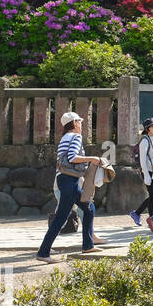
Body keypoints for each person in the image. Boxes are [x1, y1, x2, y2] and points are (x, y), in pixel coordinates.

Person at [36, 112, 106, 262]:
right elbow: (72, 158)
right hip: (69, 181)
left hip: (67, 180)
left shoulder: (65, 138)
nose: (81, 124)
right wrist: (93, 159)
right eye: (80, 122)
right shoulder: (75, 137)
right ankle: (43, 253)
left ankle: (88, 245)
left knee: (88, 208)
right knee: (62, 217)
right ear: (74, 123)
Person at [129, 118, 153, 228]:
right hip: (148, 171)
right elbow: (143, 160)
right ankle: (152, 219)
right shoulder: (145, 140)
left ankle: (137, 213)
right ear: (148, 129)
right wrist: (146, 175)